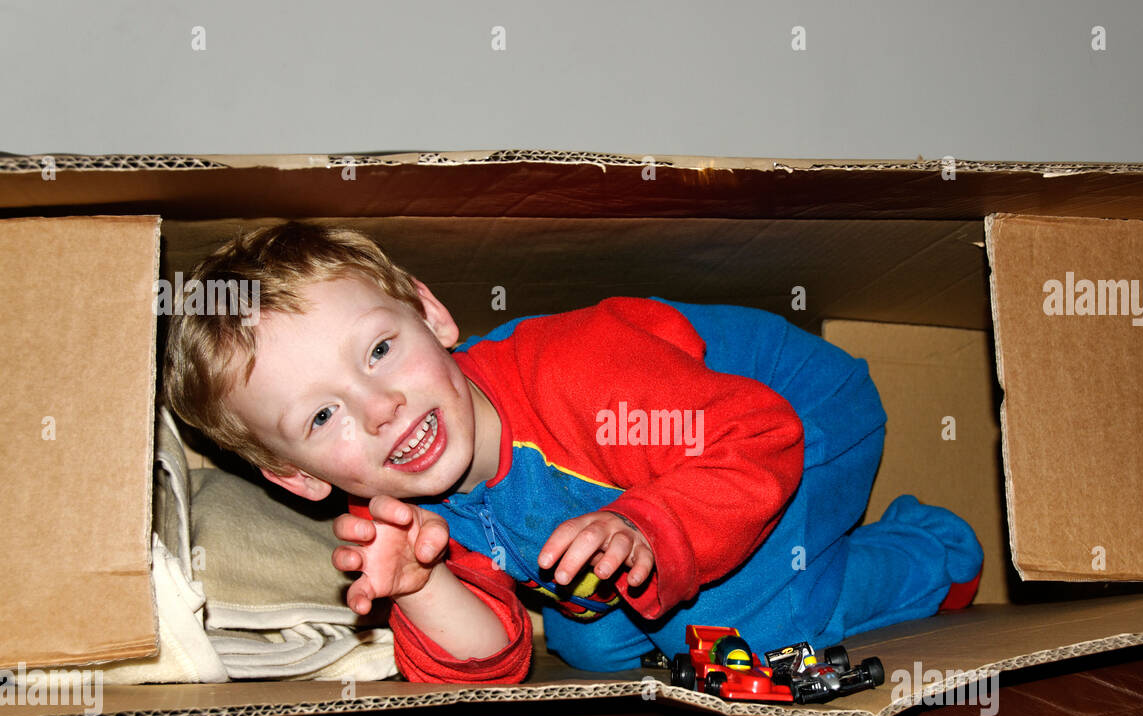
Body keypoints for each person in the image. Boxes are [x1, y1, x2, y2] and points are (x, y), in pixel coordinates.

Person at [162, 223, 983, 684]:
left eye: (380, 350)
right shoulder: (400, 515)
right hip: (653, 499)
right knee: (590, 646)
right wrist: (423, 584)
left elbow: (758, 436)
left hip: (793, 421)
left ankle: (928, 553)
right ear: (298, 476)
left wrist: (647, 527)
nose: (381, 409)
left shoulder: (576, 374)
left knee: (758, 633)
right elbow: (493, 664)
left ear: (431, 314)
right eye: (323, 416)